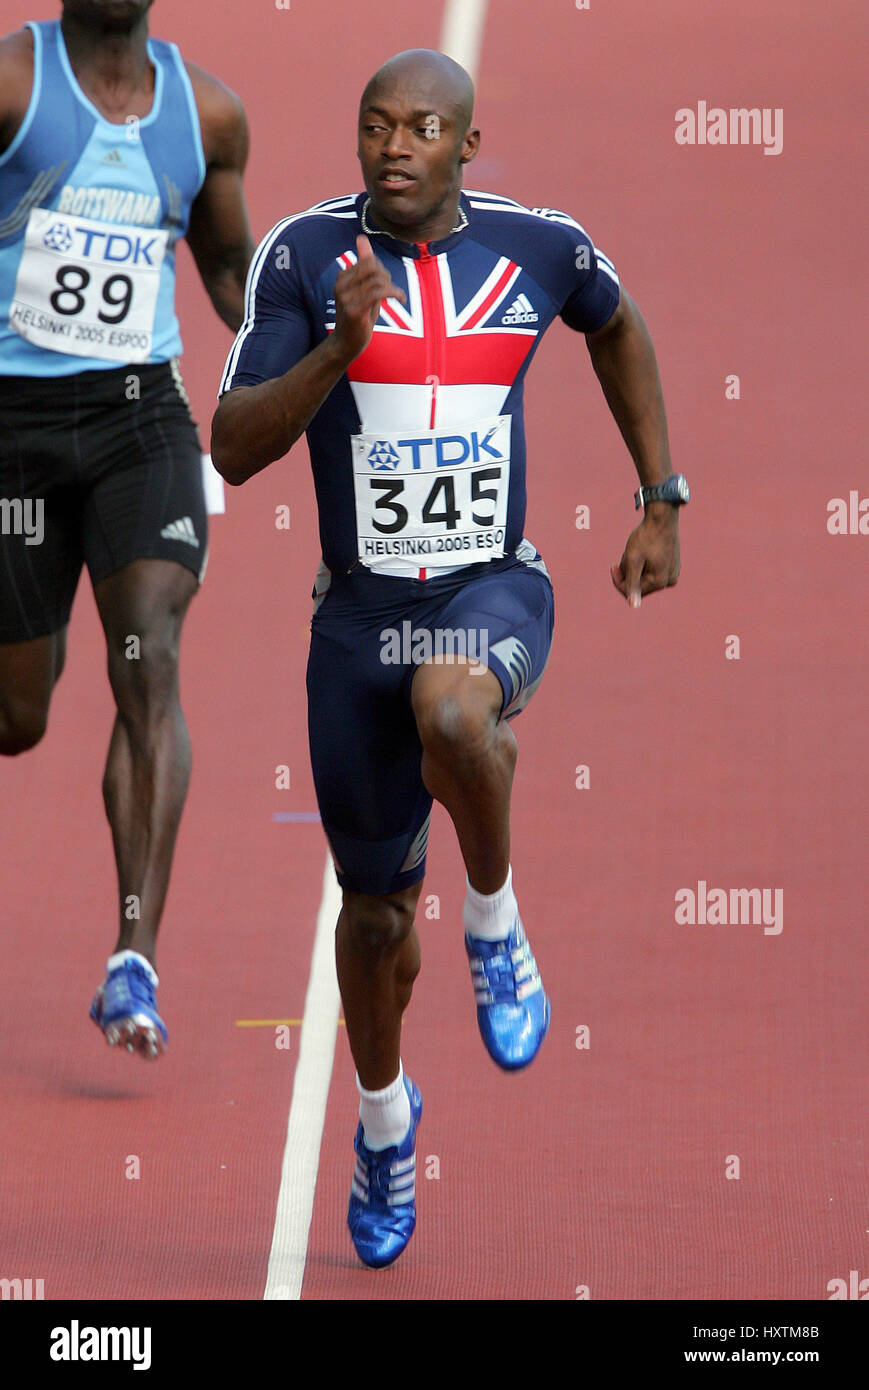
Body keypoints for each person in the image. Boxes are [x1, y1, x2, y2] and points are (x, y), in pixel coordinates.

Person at [211, 48, 686, 1268]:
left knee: (460, 715)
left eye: (424, 126)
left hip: (489, 585)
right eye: (376, 124)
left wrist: (660, 496)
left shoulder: (538, 249)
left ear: (466, 145)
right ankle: (382, 1126)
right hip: (352, 624)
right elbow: (231, 445)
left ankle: (492, 915)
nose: (395, 145)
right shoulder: (307, 261)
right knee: (371, 924)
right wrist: (333, 350)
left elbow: (615, 324)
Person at [0, 0, 254, 1058]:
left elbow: (232, 271)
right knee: (18, 715)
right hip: (10, 423)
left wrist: (326, 352)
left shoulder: (206, 115)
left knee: (149, 649)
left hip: (138, 418)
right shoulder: (14, 87)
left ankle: (132, 957)